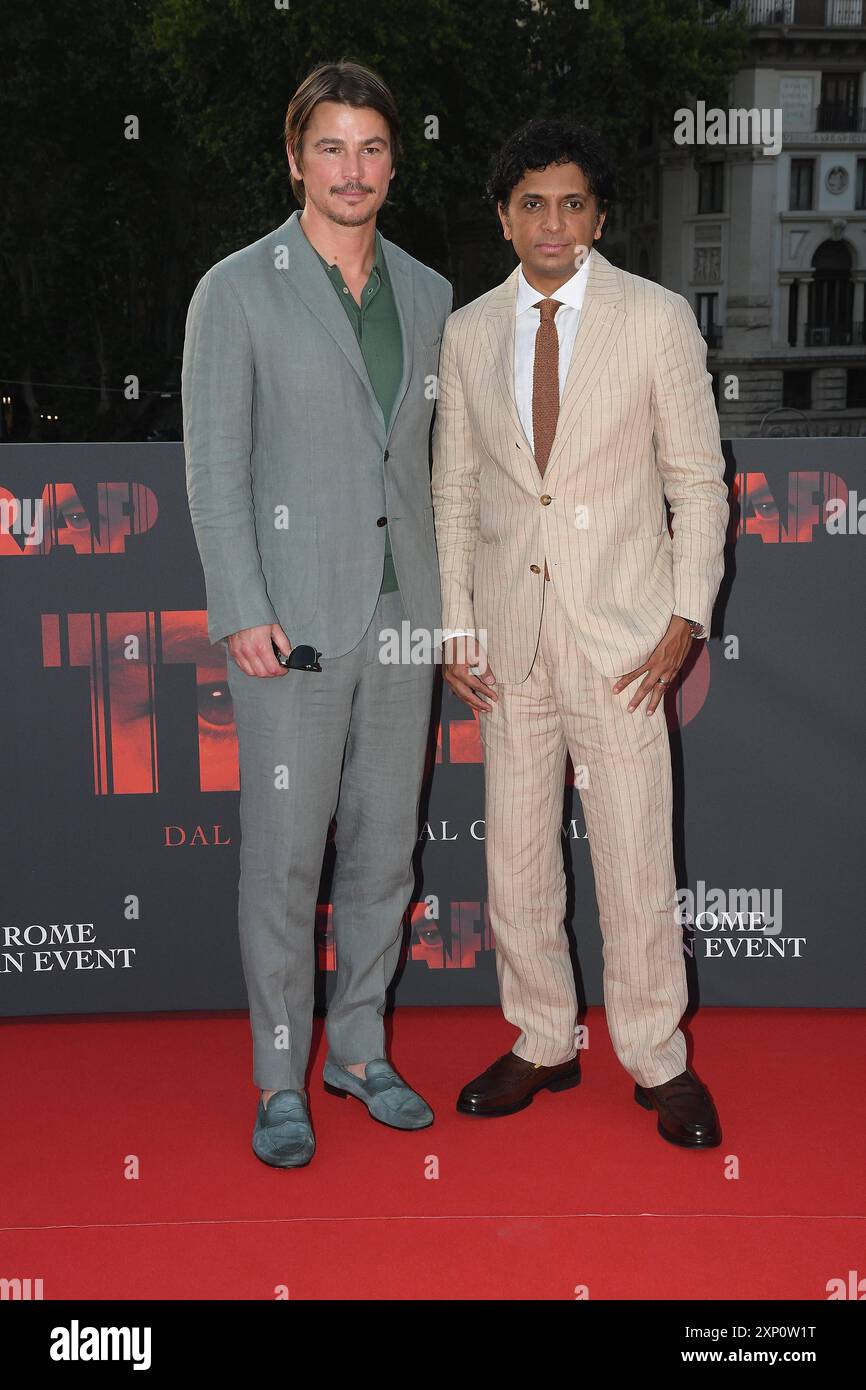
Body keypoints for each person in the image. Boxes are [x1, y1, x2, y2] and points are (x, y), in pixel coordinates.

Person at [431, 118, 729, 1147]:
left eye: (570, 203)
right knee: (514, 861)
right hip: (508, 643)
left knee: (635, 859)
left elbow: (696, 478)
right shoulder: (467, 333)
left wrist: (686, 613)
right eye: (530, 203)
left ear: (598, 215)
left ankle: (656, 1058)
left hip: (620, 642)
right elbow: (457, 492)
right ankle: (540, 1040)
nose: (550, 222)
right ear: (502, 215)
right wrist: (455, 627)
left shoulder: (652, 320)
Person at [182, 61, 452, 1167]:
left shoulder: (432, 295)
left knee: (385, 857)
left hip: (404, 618)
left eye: (373, 147)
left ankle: (358, 1050)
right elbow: (215, 466)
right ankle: (276, 1078)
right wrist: (241, 606)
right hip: (286, 626)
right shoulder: (236, 288)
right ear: (295, 160)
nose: (354, 169)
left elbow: (437, 469)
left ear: (394, 161)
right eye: (331, 147)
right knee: (287, 863)